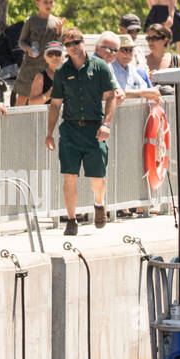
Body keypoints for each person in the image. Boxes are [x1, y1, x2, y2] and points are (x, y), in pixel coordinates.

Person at [44, 25, 117, 236]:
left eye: (76, 42)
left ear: (83, 42)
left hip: (94, 127)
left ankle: (99, 203)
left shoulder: (100, 66)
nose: (73, 47)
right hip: (70, 129)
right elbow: (55, 104)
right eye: (68, 44)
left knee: (98, 177)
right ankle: (71, 219)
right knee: (69, 176)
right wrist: (49, 133)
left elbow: (111, 96)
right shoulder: (62, 72)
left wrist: (106, 123)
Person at [14, 0, 64, 107]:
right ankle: (15, 121)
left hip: (48, 67)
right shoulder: (31, 21)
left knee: (44, 97)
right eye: (45, 2)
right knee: (22, 95)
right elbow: (21, 41)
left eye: (51, 2)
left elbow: (58, 45)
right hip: (30, 65)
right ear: (37, 4)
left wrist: (59, 31)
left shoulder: (56, 22)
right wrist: (28, 49)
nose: (49, 5)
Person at [106, 33, 160, 103]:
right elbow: (117, 94)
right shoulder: (109, 68)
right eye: (125, 50)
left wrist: (137, 93)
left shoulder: (131, 68)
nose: (128, 54)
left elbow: (154, 92)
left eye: (131, 50)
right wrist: (143, 93)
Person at [143, 22, 180, 89]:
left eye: (154, 38)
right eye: (148, 38)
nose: (150, 42)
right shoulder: (143, 60)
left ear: (165, 39)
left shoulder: (176, 60)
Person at [24, 41, 64, 105]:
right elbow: (32, 103)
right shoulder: (40, 77)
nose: (54, 57)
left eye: (58, 53)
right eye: (50, 54)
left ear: (63, 56)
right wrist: (50, 93)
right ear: (45, 57)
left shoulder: (71, 74)